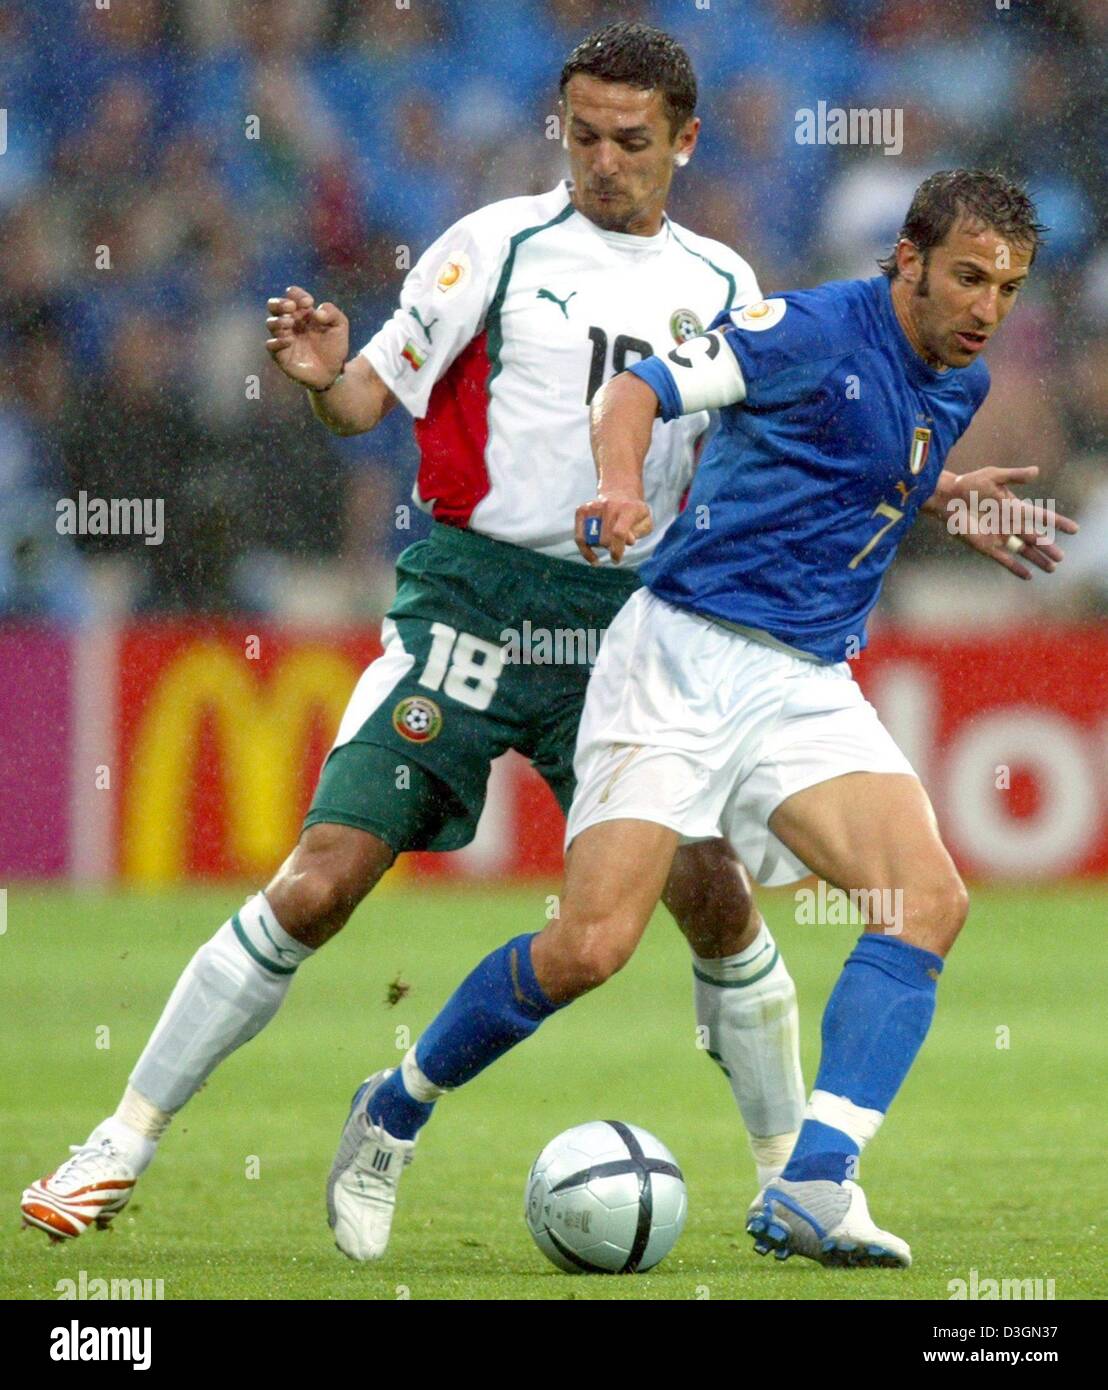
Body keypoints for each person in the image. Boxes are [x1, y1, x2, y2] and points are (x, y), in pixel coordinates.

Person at [21, 23, 810, 1257]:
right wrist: (320, 372)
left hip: (630, 633)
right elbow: (360, 407)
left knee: (715, 898)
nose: (603, 160)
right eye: (583, 134)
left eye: (631, 141)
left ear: (685, 141)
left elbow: (759, 455)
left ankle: (789, 1185)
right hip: (474, 609)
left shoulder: (722, 283)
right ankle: (119, 1140)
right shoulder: (489, 246)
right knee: (325, 874)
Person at [356, 169, 1077, 1268]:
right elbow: (637, 391)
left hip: (803, 685)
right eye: (968, 278)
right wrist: (617, 487)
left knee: (924, 901)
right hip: (679, 659)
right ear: (906, 262)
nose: (986, 308)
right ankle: (398, 1102)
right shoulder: (801, 329)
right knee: (590, 946)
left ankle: (816, 1183)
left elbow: (858, 465)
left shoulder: (956, 384)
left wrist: (939, 501)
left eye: (1008, 289)